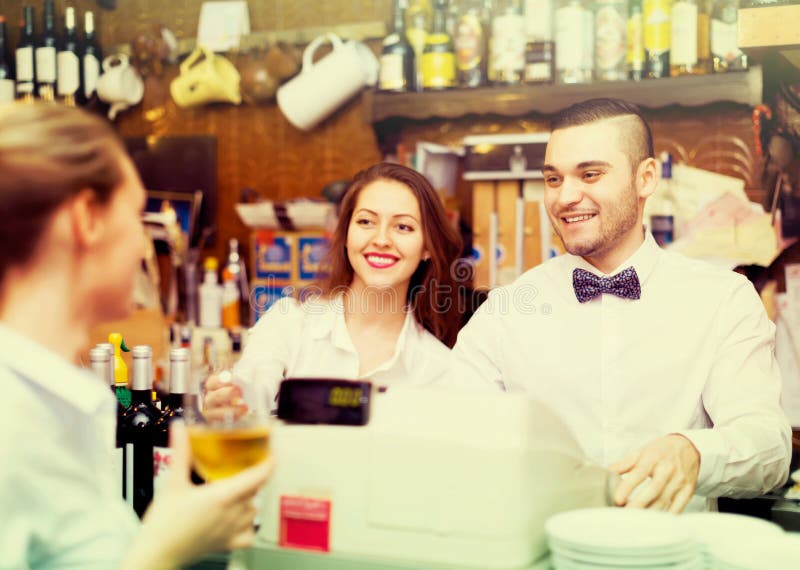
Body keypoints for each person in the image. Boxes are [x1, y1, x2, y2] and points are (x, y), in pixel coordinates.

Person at [451, 98, 792, 513]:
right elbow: (452, 431)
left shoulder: (722, 299)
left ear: (645, 177)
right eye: (554, 179)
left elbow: (769, 448)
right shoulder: (505, 312)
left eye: (590, 174)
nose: (565, 198)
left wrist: (694, 452)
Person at [0, 102, 272, 569]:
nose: (146, 246)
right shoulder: (12, 421)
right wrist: (164, 549)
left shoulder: (62, 404)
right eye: (137, 215)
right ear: (88, 218)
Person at [205, 162, 462, 417]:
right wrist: (228, 399)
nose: (381, 240)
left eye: (403, 227)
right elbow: (251, 388)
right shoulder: (291, 322)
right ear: (346, 233)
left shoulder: (440, 369)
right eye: (366, 221)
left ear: (427, 247)